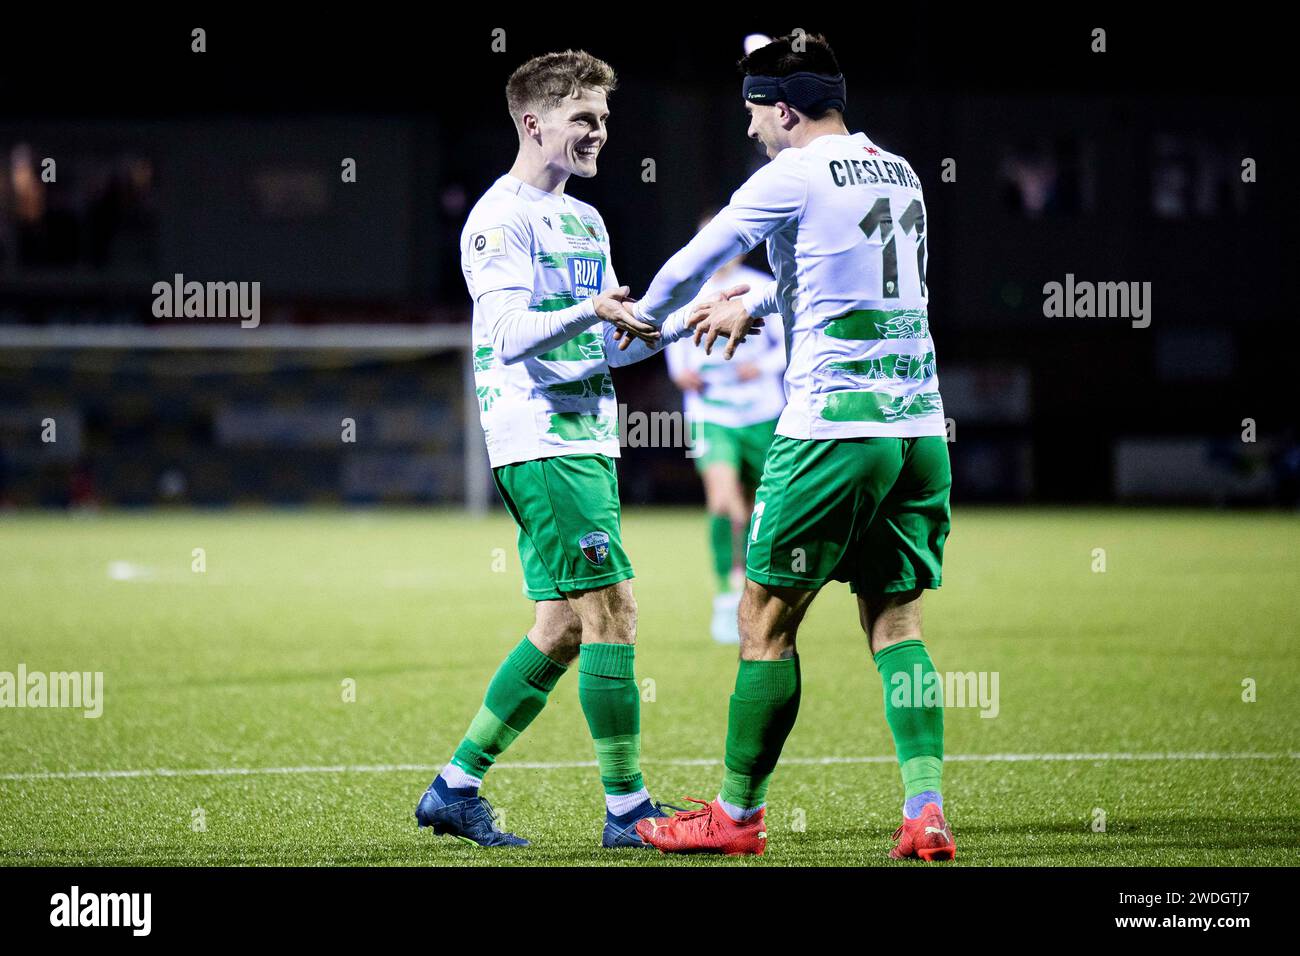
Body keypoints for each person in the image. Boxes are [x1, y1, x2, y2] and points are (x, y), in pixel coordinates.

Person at [632, 33, 955, 860]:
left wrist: (619, 340)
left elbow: (685, 269)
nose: (749, 132)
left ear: (784, 110)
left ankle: (736, 816)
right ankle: (925, 810)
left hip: (833, 429)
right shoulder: (901, 170)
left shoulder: (790, 174)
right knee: (897, 620)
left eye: (753, 114)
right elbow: (856, 280)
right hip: (917, 426)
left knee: (764, 618)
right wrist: (763, 304)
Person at [414, 50, 711, 849]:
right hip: (540, 440)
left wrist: (689, 321)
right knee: (614, 610)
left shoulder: (585, 219)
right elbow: (509, 336)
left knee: (563, 627)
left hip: (587, 437)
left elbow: (612, 342)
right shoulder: (497, 218)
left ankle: (454, 786)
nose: (599, 133)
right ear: (533, 122)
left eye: (604, 120)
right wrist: (590, 308)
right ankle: (628, 810)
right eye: (584, 118)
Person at [664, 215, 786, 643]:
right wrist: (680, 372)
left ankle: (754, 594)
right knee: (722, 502)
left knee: (760, 509)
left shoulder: (761, 285)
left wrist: (762, 366)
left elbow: (789, 345)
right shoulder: (688, 287)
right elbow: (672, 335)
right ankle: (724, 595)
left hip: (762, 410)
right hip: (711, 410)